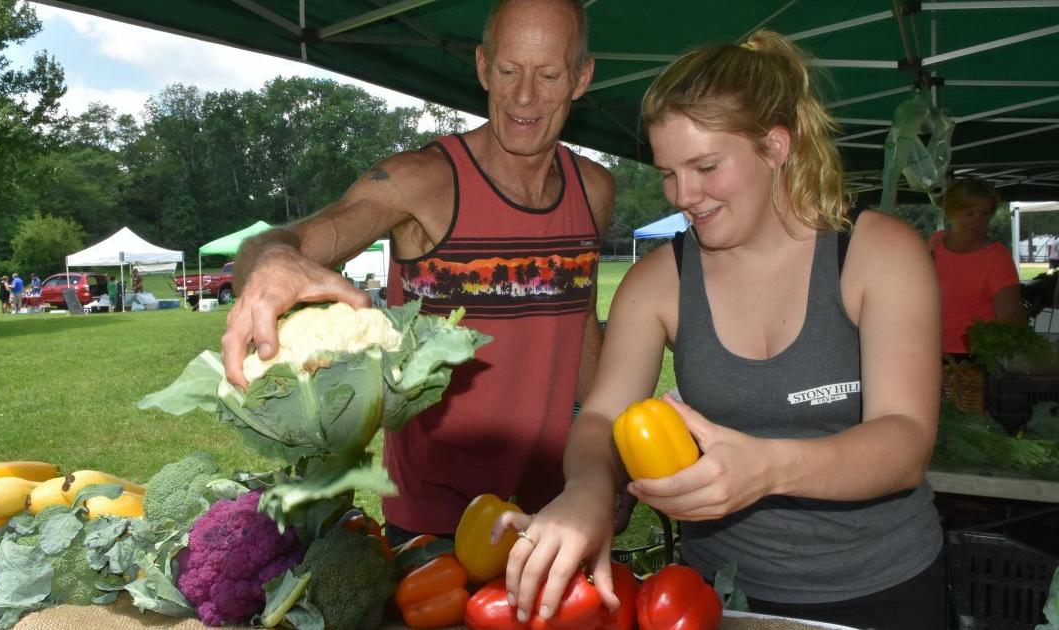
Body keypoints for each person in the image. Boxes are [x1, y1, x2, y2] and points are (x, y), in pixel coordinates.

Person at [494, 31, 945, 630]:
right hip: (714, 598)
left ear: (776, 146)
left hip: (885, 591)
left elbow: (906, 440)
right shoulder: (657, 282)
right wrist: (587, 491)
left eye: (706, 167)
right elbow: (601, 417)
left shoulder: (878, 254)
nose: (684, 196)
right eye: (668, 174)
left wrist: (767, 468)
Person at [222, 0, 612, 544]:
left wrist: (611, 461)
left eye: (548, 75)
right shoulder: (420, 182)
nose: (525, 96)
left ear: (581, 77)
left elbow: (579, 329)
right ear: (481, 66)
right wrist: (274, 261)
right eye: (507, 71)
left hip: (552, 512)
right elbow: (283, 242)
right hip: (433, 524)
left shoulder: (592, 192)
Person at [929, 177, 1024, 357]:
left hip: (976, 358)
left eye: (985, 213)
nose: (978, 221)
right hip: (932, 350)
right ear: (951, 212)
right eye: (970, 213)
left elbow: (1009, 318)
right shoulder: (934, 243)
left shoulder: (997, 257)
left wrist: (986, 355)